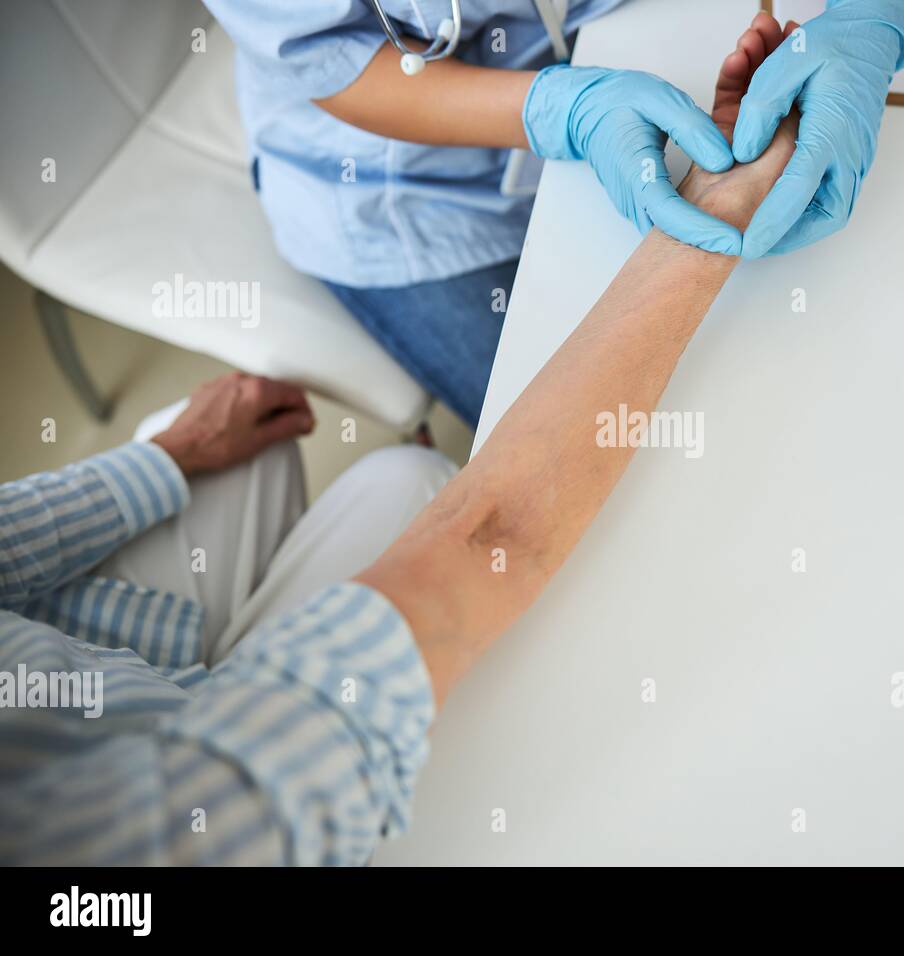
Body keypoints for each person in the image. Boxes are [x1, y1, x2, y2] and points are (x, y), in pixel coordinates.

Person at [0, 12, 801, 865]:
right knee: (628, 548)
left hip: (96, 647)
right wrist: (706, 223)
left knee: (406, 476)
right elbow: (491, 532)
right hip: (221, 774)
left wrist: (156, 465)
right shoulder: (126, 843)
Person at [204, 0, 904, 425]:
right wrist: (565, 112)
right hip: (407, 192)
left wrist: (873, 20)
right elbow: (334, 57)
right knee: (599, 438)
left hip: (619, 40)